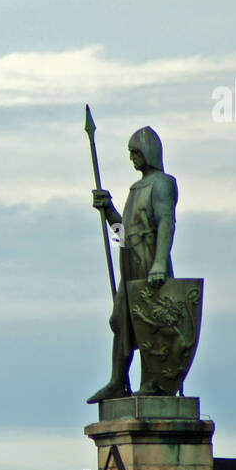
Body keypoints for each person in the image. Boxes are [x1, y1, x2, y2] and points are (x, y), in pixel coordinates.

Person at [87, 126, 177, 402]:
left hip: (149, 259)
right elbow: (124, 234)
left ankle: (152, 381)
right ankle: (117, 381)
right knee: (121, 320)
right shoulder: (135, 188)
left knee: (148, 320)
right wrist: (109, 211)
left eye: (135, 152)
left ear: (148, 153)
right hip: (129, 257)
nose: (132, 158)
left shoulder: (162, 183)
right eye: (130, 153)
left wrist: (160, 262)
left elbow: (165, 223)